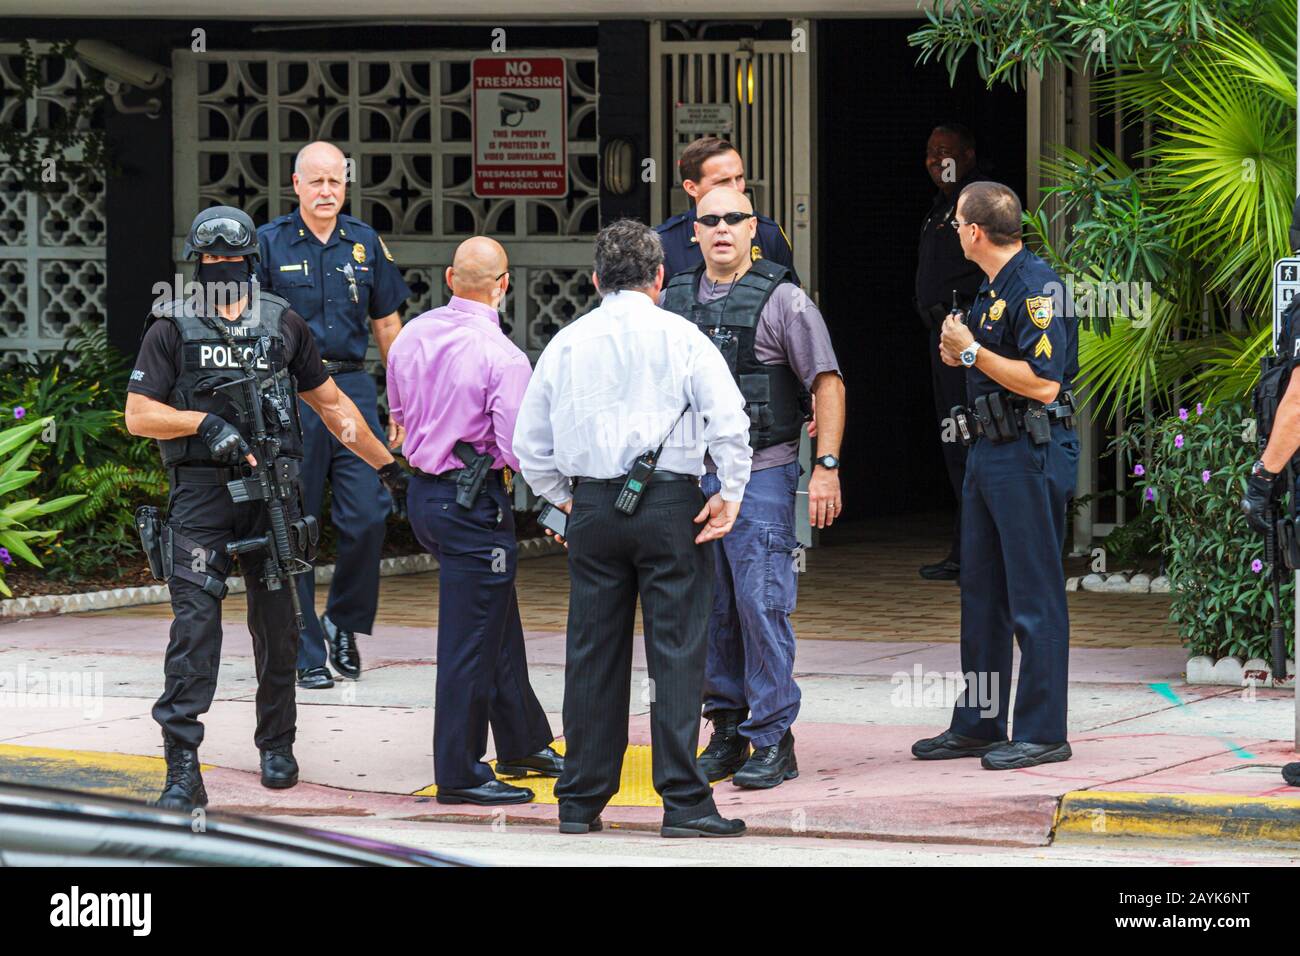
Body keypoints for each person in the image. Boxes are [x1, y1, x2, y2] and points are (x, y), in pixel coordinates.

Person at [125, 206, 410, 811]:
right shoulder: (171, 324)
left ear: (252, 263)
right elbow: (138, 414)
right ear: (197, 265)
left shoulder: (281, 323)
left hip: (273, 497)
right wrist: (202, 423)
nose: (221, 269)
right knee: (194, 631)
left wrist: (389, 466)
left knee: (279, 632)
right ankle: (182, 767)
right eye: (210, 261)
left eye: (231, 261)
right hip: (201, 498)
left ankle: (277, 743)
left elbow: (333, 407)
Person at [514, 219, 753, 837]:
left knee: (591, 652)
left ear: (596, 280)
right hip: (673, 505)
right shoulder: (684, 335)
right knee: (676, 653)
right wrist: (729, 493)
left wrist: (564, 500)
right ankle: (684, 803)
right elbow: (730, 421)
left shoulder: (566, 342)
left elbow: (529, 444)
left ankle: (579, 801)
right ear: (660, 278)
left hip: (593, 507)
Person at [659, 187, 844, 788]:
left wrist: (827, 466)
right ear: (692, 231)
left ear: (753, 228)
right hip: (691, 474)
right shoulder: (671, 299)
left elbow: (827, 384)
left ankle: (773, 738)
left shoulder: (784, 300)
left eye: (733, 219)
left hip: (763, 470)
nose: (721, 229)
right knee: (710, 608)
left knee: (761, 603)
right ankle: (728, 728)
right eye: (708, 220)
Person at [387, 237, 562, 806]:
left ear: (449, 278)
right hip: (474, 505)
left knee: (495, 621)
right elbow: (520, 449)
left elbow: (397, 416)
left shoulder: (411, 335)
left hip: (425, 498)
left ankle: (523, 742)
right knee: (470, 641)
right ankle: (459, 772)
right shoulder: (503, 356)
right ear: (503, 284)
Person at [911, 181, 1080, 770]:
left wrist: (969, 353)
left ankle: (1041, 730)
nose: (953, 231)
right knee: (981, 593)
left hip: (1029, 450)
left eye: (956, 223)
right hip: (989, 449)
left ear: (974, 232)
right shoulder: (990, 287)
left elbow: (1044, 382)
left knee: (1033, 594)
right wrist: (965, 350)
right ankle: (979, 723)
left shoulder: (1037, 287)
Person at [255, 140, 411, 689]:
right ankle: (304, 650)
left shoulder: (364, 244)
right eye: (315, 181)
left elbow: (387, 325)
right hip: (290, 390)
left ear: (345, 186)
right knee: (294, 522)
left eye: (335, 182)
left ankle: (344, 620)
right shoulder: (268, 244)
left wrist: (402, 401)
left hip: (348, 388)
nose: (326, 191)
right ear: (295, 184)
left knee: (368, 513)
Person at [915, 123, 987, 582]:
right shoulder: (938, 209)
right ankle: (964, 549)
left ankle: (976, 553)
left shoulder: (974, 208)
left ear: (968, 155)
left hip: (969, 341)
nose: (935, 160)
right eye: (929, 152)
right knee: (954, 444)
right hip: (941, 341)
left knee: (970, 441)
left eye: (945, 152)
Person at [655, 136, 796, 282]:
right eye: (723, 181)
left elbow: (789, 296)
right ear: (691, 188)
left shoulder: (768, 233)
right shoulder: (664, 242)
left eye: (739, 177)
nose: (736, 188)